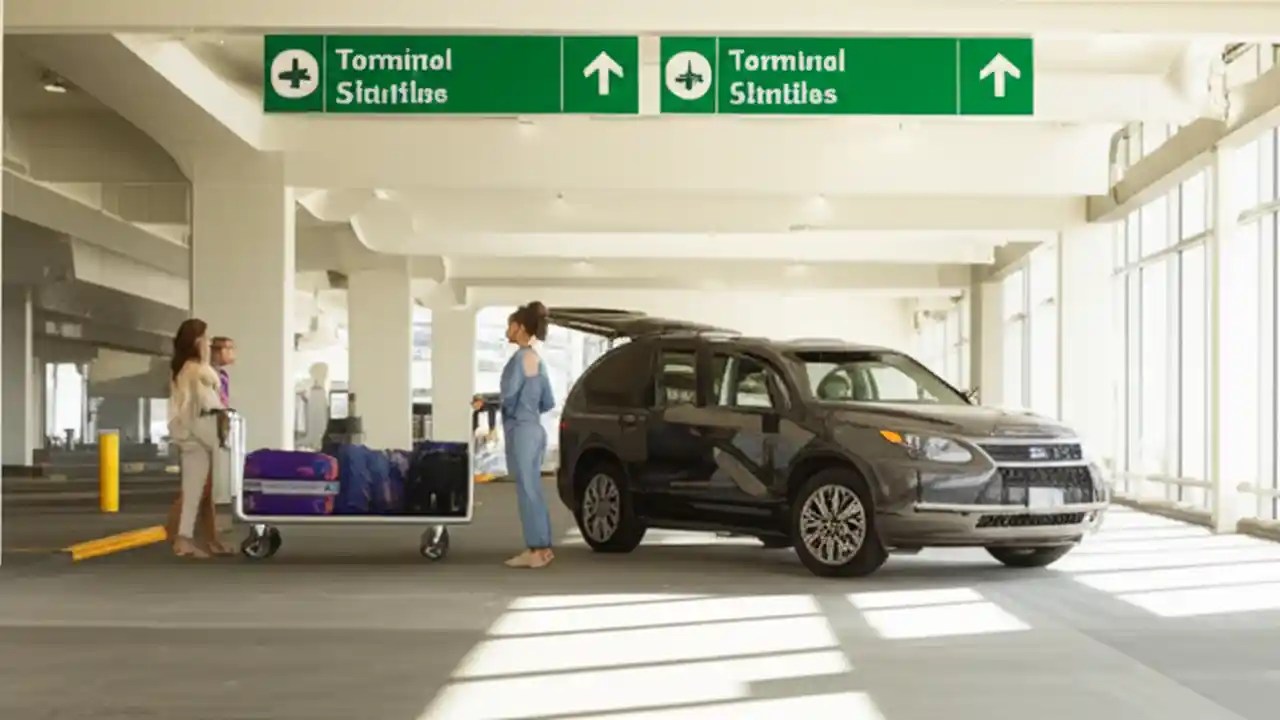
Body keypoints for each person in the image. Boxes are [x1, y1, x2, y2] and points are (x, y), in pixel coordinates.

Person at [500, 301, 557, 569]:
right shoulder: (538, 360)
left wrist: (493, 406)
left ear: (520, 327)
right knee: (534, 488)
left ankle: (536, 549)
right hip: (536, 429)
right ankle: (543, 547)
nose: (507, 330)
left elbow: (509, 397)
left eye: (510, 325)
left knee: (526, 490)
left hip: (521, 431)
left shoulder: (519, 359)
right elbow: (548, 401)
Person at [165, 319, 227, 559]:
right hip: (197, 437)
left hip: (190, 436)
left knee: (194, 491)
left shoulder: (184, 369)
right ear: (197, 341)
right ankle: (183, 539)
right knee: (194, 492)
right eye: (206, 338)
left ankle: (188, 539)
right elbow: (206, 406)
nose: (209, 343)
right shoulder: (196, 372)